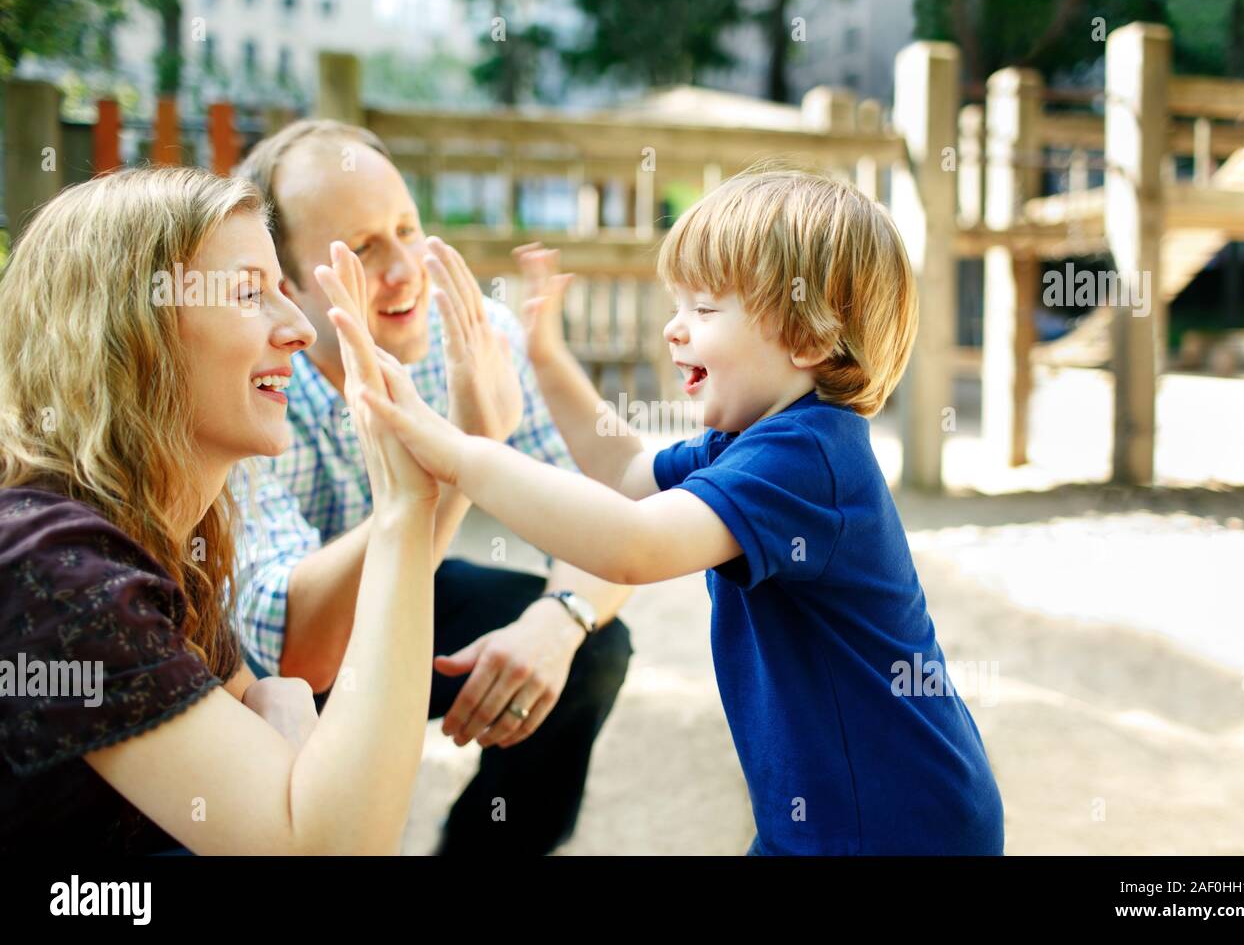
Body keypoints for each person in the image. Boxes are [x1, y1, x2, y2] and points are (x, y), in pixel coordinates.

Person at [339, 167, 1007, 855]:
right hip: (832, 818)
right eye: (676, 305)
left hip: (898, 826)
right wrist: (544, 360)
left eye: (704, 310)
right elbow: (625, 475)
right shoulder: (753, 440)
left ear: (808, 337)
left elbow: (632, 545)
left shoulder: (807, 459)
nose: (674, 330)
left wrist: (459, 453)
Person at [0, 166, 440, 854]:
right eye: (248, 295)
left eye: (284, 294)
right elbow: (333, 844)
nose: (298, 328)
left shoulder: (165, 533)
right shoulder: (60, 570)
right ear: (127, 336)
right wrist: (405, 512)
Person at [230, 120, 633, 855]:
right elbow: (299, 655)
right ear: (284, 284)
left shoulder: (474, 337)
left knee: (592, 648)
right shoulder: (249, 383)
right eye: (360, 249)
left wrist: (559, 620)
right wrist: (462, 453)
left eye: (406, 229)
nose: (404, 270)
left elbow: (608, 527)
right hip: (281, 652)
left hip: (410, 583)